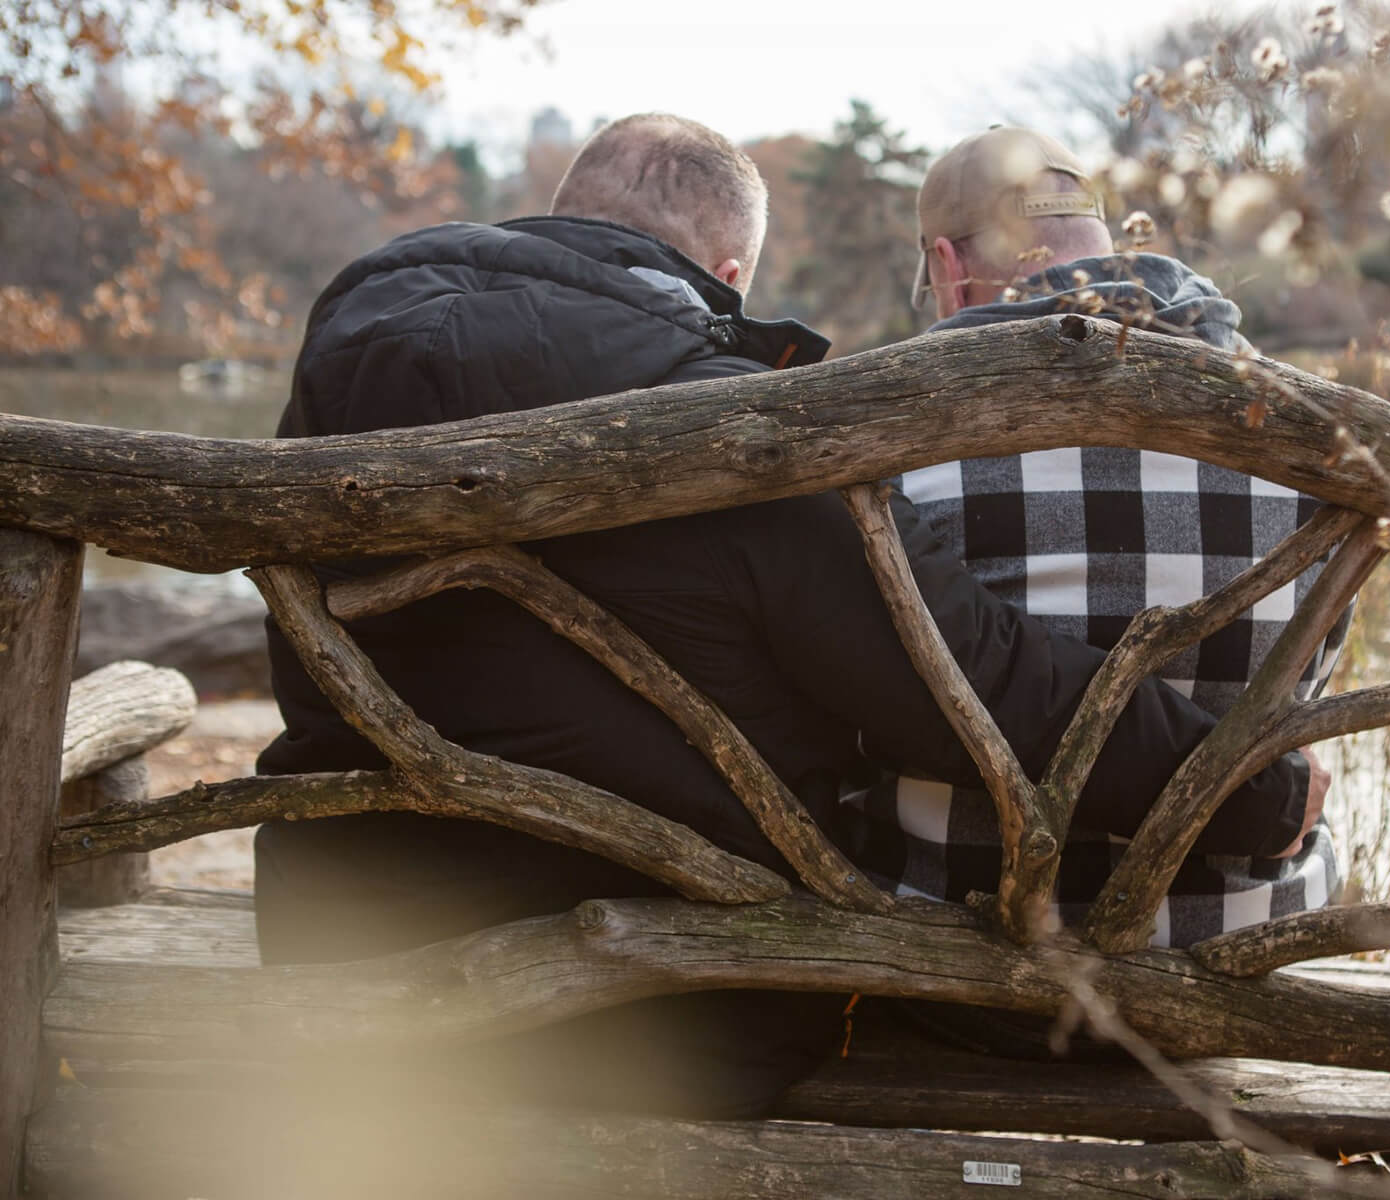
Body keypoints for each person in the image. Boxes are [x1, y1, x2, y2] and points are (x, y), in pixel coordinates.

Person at [253, 113, 1321, 1116]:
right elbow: (970, 687)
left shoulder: (345, 360)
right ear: (726, 276)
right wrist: (1259, 793)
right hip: (659, 1016)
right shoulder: (741, 432)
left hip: (336, 948)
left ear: (561, 217)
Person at [844, 126, 1347, 949]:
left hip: (966, 970)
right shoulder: (1304, 442)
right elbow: (1312, 692)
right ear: (1105, 244)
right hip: (1245, 955)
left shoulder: (902, 472)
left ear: (946, 265)